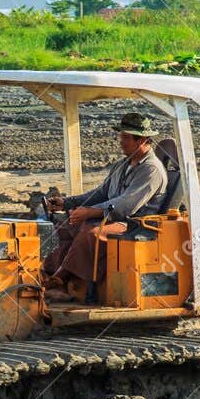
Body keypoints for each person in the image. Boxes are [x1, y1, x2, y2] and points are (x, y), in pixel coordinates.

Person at [43, 112, 168, 298]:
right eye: (121, 136)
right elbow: (101, 193)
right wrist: (67, 203)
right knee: (66, 225)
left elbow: (126, 205)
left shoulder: (151, 170)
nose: (121, 141)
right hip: (116, 219)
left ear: (141, 140)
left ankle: (61, 280)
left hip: (135, 225)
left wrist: (90, 213)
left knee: (91, 233)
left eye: (125, 137)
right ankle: (54, 274)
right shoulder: (121, 165)